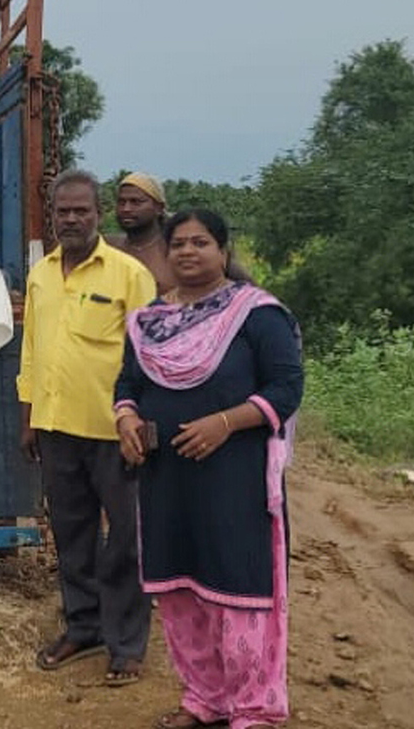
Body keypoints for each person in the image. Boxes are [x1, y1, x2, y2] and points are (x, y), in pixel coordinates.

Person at [115, 209, 303, 729]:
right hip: (166, 479)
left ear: (223, 251)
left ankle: (253, 708)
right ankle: (205, 700)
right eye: (178, 243)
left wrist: (224, 423)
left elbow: (286, 389)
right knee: (180, 591)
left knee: (240, 587)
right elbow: (127, 384)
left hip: (234, 481)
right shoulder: (150, 320)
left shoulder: (258, 316)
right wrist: (126, 418)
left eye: (200, 242)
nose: (187, 252)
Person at [16, 170, 156, 686]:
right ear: (51, 216)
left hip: (112, 429)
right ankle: (84, 626)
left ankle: (125, 643)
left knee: (125, 538)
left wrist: (138, 421)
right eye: (62, 211)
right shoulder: (41, 275)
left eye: (81, 210)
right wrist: (28, 416)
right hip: (56, 429)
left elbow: (149, 357)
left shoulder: (128, 274)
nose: (71, 219)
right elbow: (32, 350)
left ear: (98, 213)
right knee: (72, 535)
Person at [106, 171, 173, 293]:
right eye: (121, 202)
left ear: (159, 208)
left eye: (136, 202)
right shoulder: (108, 246)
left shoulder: (172, 251)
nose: (126, 209)